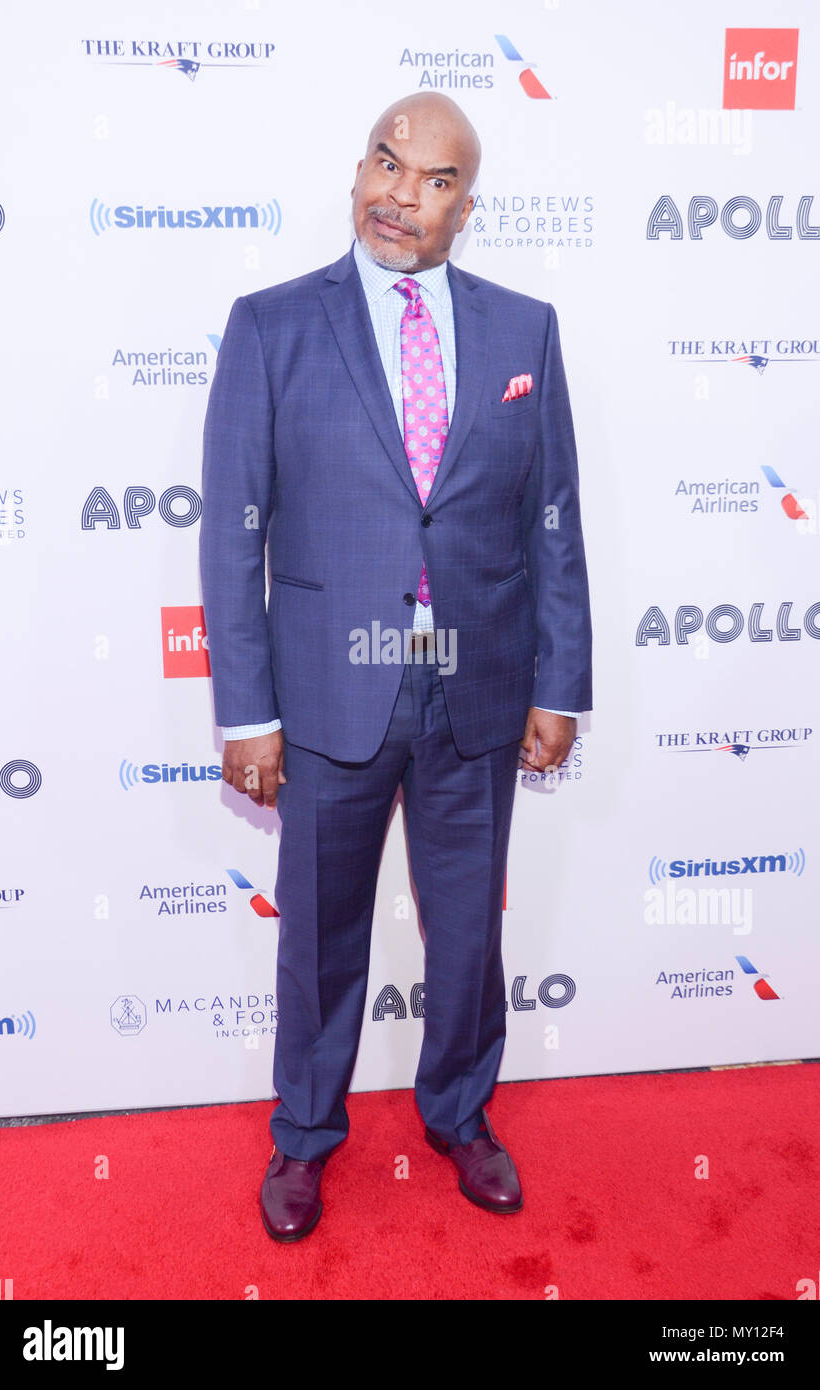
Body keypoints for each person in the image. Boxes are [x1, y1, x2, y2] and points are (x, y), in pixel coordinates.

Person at [199, 91, 592, 1242]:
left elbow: (552, 520)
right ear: (359, 165)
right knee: (320, 931)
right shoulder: (272, 324)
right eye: (385, 161)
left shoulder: (526, 329)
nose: (398, 193)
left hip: (476, 681)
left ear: (468, 205)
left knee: (467, 930)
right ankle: (306, 1136)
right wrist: (246, 712)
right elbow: (234, 533)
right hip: (329, 689)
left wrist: (558, 683)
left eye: (431, 180)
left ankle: (461, 1114)